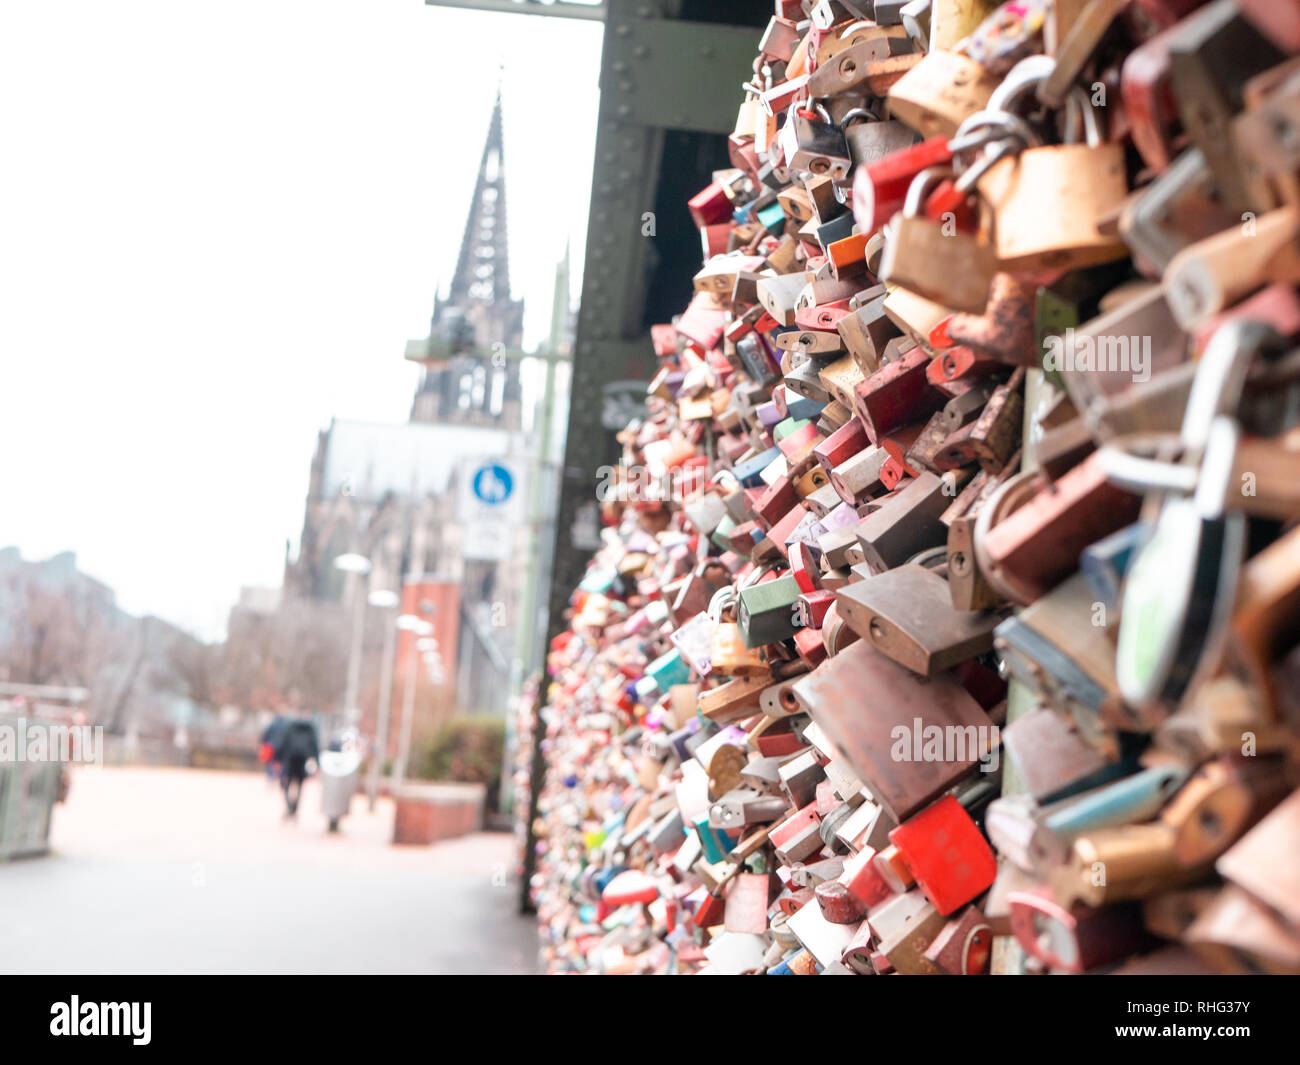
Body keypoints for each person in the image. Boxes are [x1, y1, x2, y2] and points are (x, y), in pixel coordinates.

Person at [273, 712, 320, 819]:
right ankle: (295, 808)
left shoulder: (290, 727)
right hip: (303, 760)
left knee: (286, 784)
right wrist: (317, 762)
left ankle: (289, 805)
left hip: (290, 759)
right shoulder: (310, 729)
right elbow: (315, 745)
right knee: (300, 785)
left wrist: (277, 758)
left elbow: (282, 742)